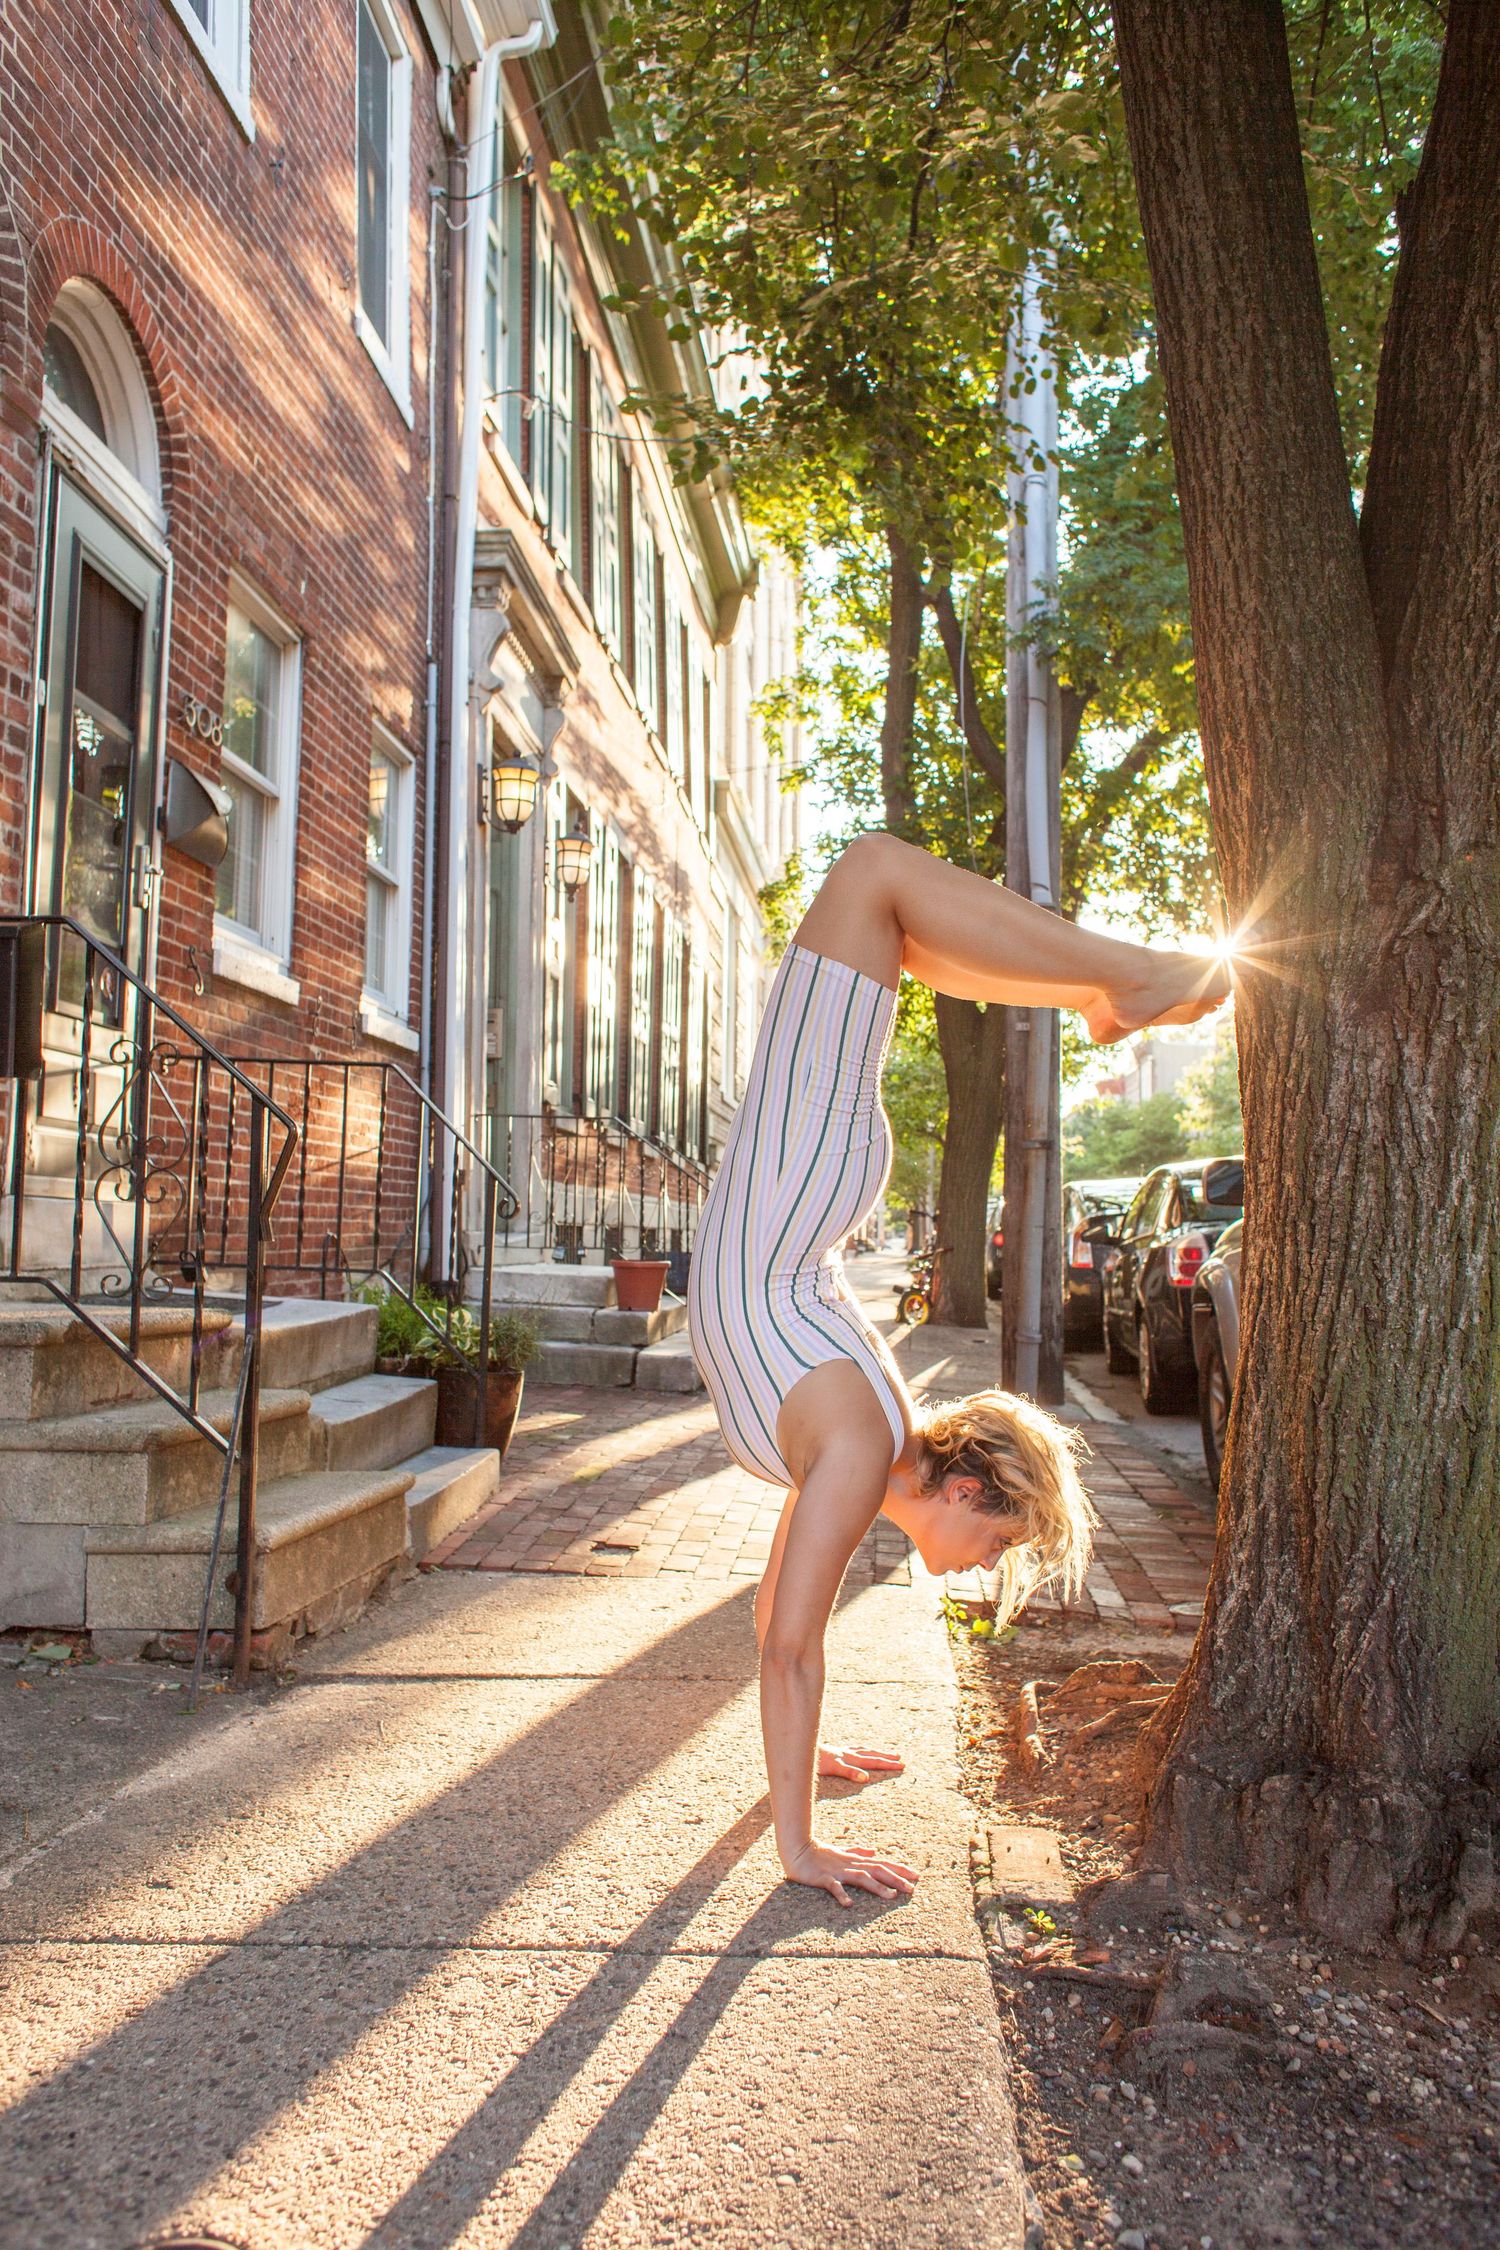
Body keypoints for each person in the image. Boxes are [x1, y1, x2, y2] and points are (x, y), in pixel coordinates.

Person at [687, 833, 1230, 1908]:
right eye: (998, 1540)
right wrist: (799, 1847)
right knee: (874, 874)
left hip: (809, 1194)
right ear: (968, 1488)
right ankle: (1118, 975)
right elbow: (789, 1652)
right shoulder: (857, 1451)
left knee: (891, 915)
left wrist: (806, 1758)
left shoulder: (865, 1449)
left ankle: (1103, 987)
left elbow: (774, 1626)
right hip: (800, 1183)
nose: (983, 1564)